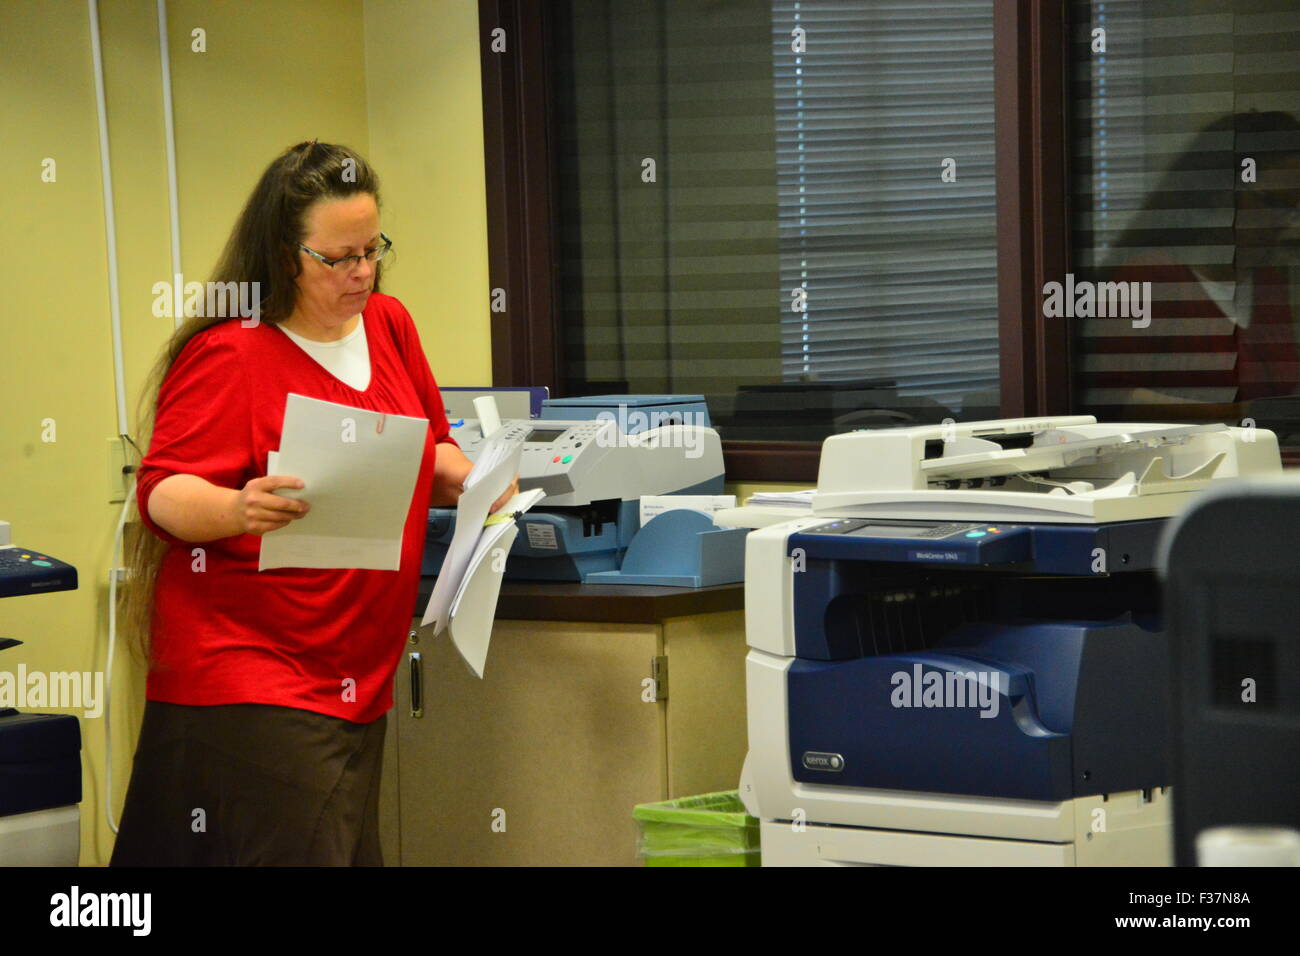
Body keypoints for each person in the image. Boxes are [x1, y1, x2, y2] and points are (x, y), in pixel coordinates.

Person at [110, 141, 516, 866]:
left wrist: (474, 480)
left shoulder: (389, 326)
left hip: (355, 668)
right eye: (338, 258)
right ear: (286, 253)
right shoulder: (234, 352)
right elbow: (162, 492)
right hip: (254, 668)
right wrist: (237, 509)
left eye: (371, 249)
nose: (361, 271)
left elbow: (431, 447)